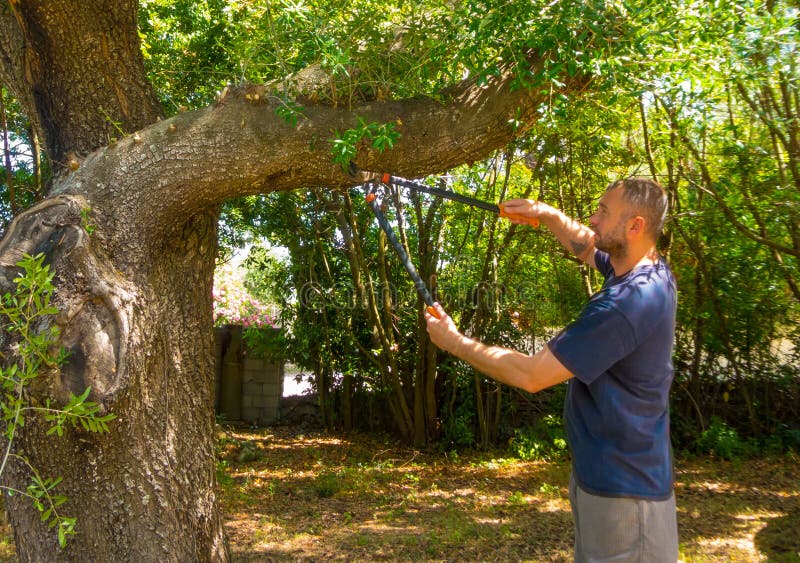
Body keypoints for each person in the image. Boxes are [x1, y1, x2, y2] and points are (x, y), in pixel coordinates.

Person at [425, 178, 678, 562]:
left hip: (627, 494)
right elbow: (587, 246)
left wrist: (455, 342)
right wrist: (545, 214)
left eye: (603, 211)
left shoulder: (627, 304)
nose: (592, 218)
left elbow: (532, 375)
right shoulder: (643, 271)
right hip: (606, 477)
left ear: (635, 226)